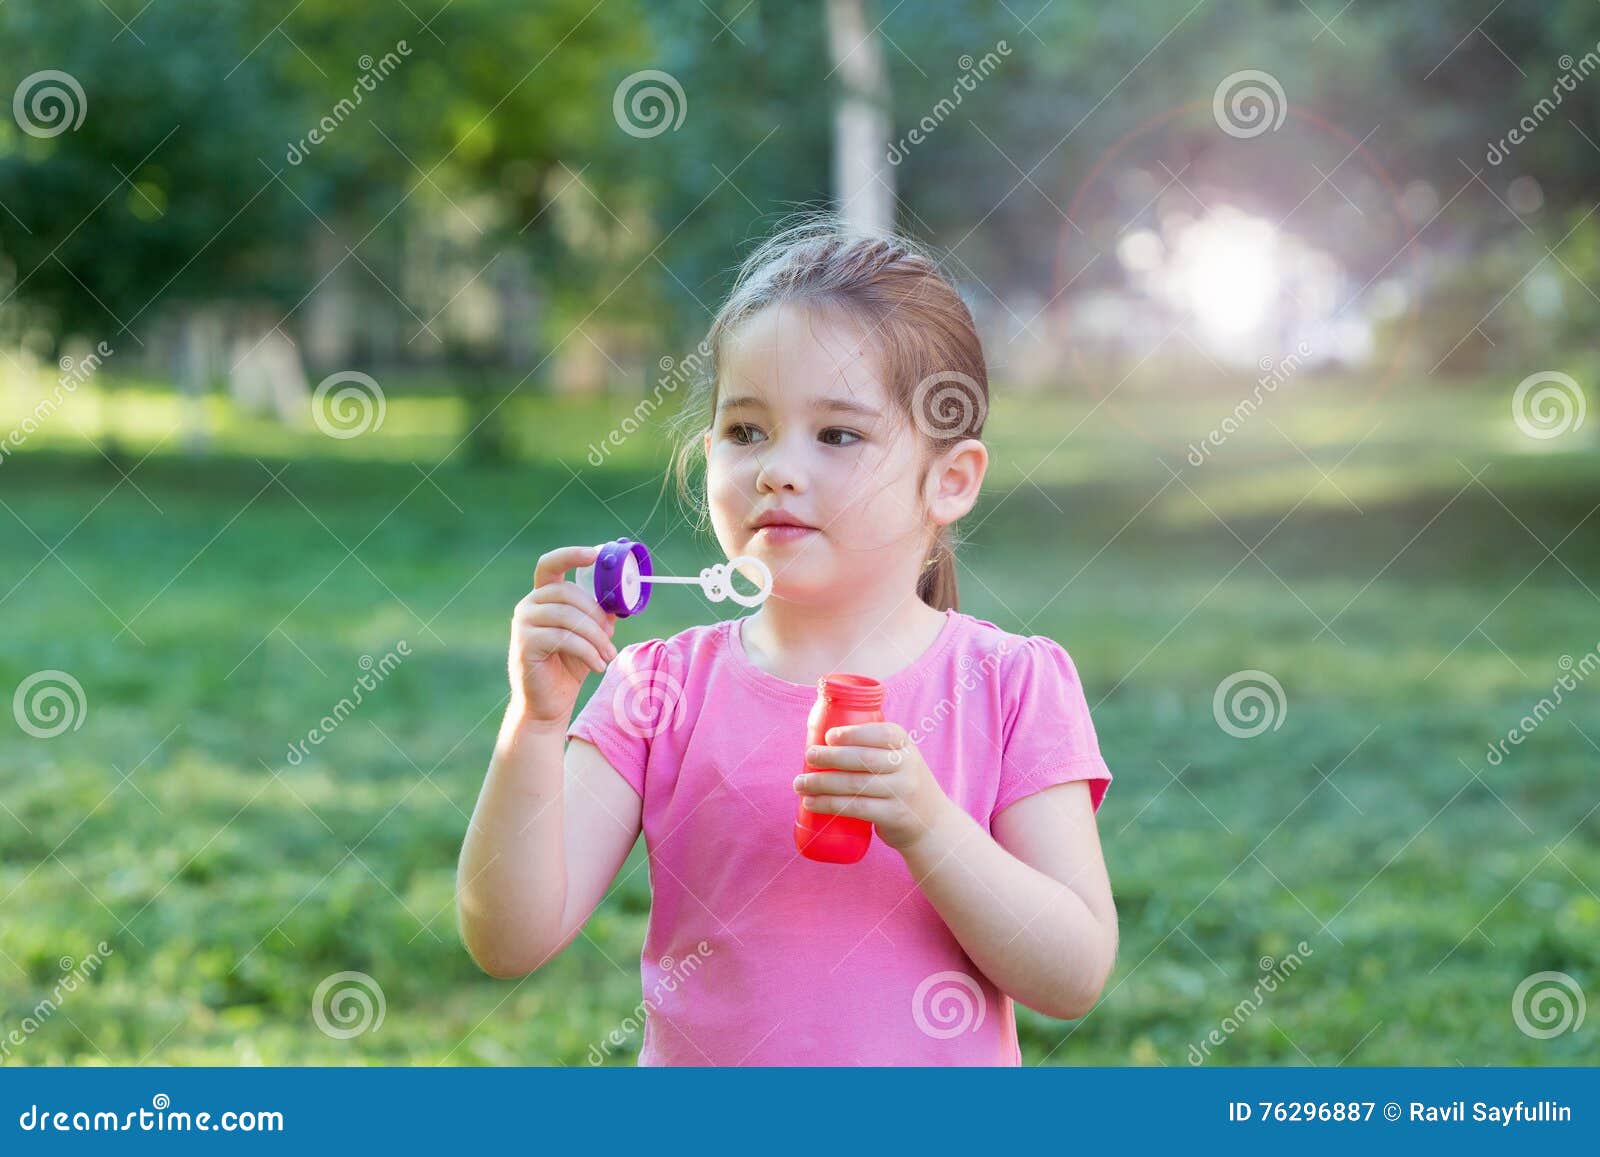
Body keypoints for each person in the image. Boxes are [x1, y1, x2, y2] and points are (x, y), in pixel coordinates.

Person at [457, 215, 1117, 1065]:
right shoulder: (658, 688)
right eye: (745, 431)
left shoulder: (1009, 683)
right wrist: (534, 727)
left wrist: (926, 824)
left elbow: (1072, 975)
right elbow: (507, 939)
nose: (775, 467)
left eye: (837, 434)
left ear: (949, 480)